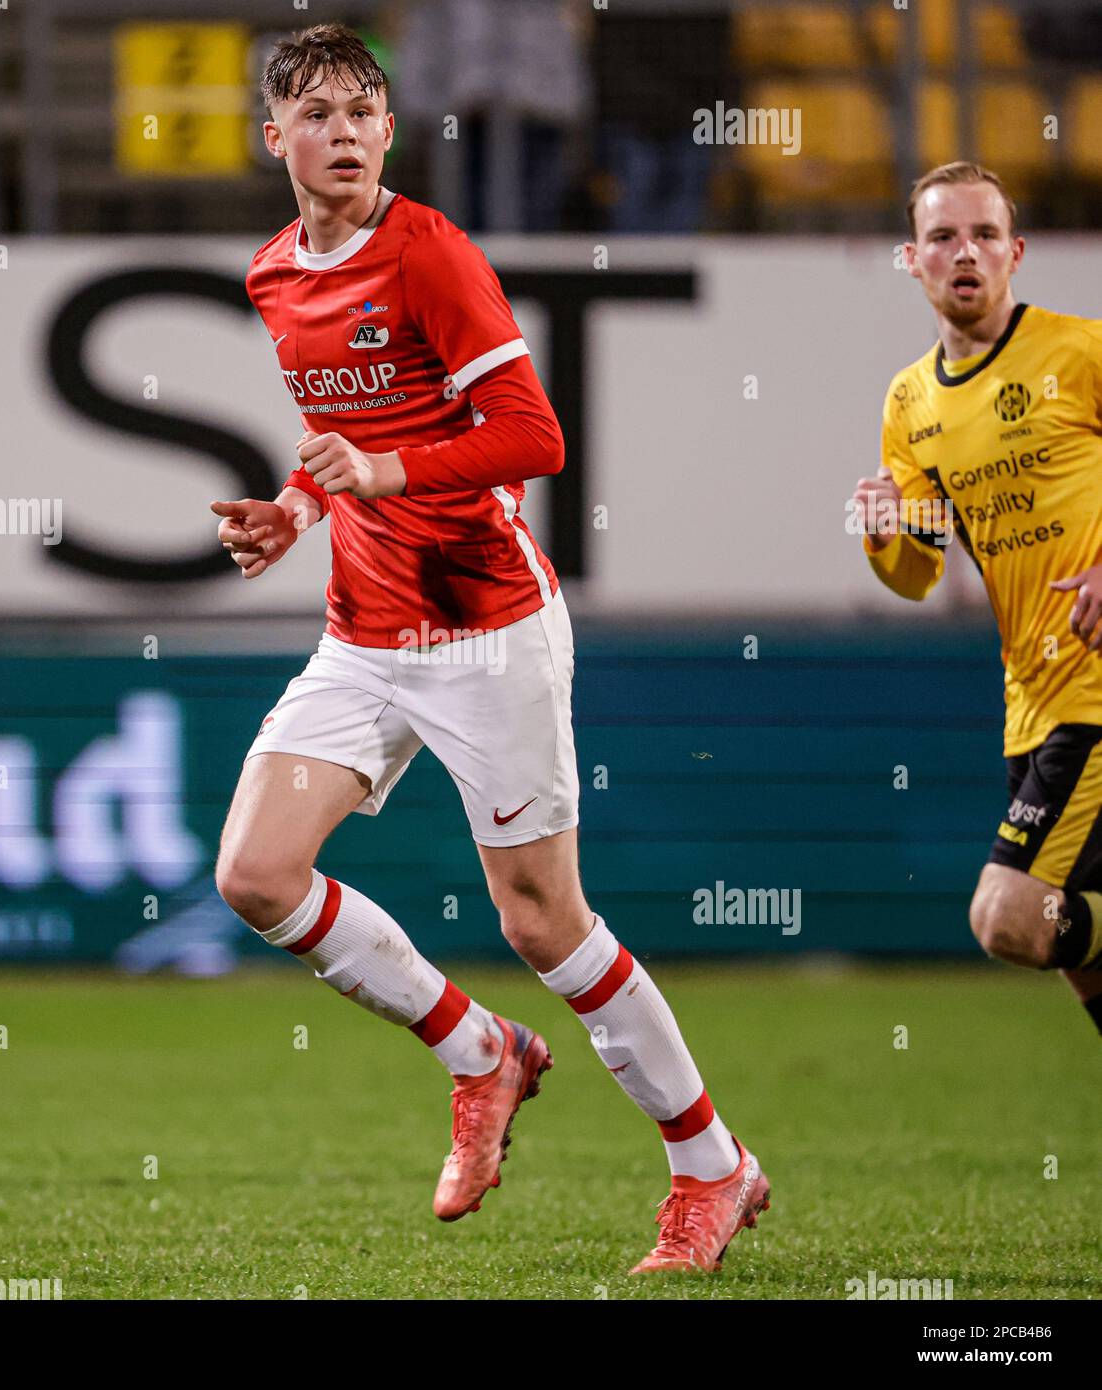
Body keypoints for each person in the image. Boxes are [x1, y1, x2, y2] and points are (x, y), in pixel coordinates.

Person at [212, 23, 769, 1273]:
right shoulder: (273, 274)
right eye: (317, 112)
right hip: (362, 629)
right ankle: (481, 1052)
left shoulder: (431, 253)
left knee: (546, 926)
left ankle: (713, 1166)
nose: (344, 131)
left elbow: (532, 436)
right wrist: (296, 509)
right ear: (276, 138)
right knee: (252, 874)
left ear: (391, 131)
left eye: (364, 109)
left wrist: (384, 469)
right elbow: (350, 426)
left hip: (483, 625)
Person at [851, 161, 1102, 1035]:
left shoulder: (1080, 351)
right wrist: (886, 532)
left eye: (986, 235)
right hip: (1027, 705)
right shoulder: (910, 401)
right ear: (911, 259)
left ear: (1017, 253)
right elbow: (918, 575)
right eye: (945, 237)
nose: (967, 252)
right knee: (1080, 955)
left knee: (1007, 917)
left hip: (1093, 692)